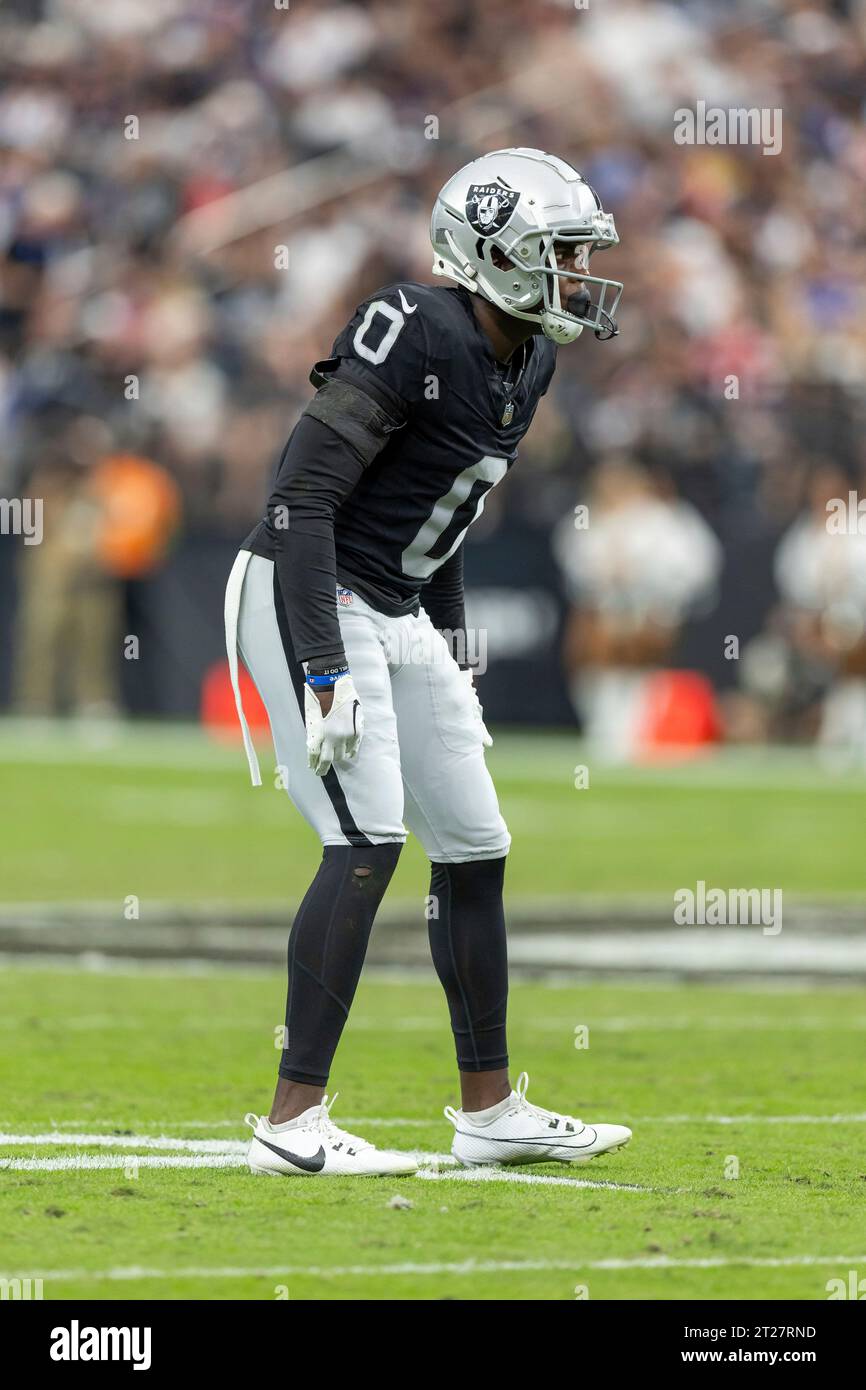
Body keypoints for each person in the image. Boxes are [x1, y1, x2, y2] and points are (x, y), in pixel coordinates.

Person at [225, 148, 633, 1176]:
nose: (575, 277)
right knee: (366, 838)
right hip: (303, 583)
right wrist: (322, 664)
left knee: (475, 842)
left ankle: (487, 1108)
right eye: (557, 254)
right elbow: (300, 497)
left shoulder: (528, 356)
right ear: (489, 253)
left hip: (394, 603)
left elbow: (439, 520)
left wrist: (446, 653)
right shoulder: (414, 326)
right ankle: (292, 1118)